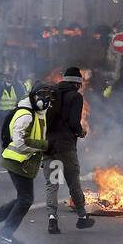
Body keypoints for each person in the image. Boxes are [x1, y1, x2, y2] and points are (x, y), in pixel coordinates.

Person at [0, 84, 55, 244]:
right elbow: (20, 142)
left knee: (23, 198)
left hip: (24, 161)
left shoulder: (37, 113)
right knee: (26, 199)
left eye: (48, 98)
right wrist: (45, 145)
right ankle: (5, 232)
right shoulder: (26, 115)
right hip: (17, 161)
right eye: (43, 97)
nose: (46, 102)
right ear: (34, 97)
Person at [43, 67, 95, 234]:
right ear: (76, 82)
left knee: (52, 183)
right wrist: (80, 132)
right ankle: (81, 217)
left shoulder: (51, 93)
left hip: (49, 146)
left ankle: (52, 219)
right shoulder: (75, 97)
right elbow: (73, 122)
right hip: (65, 147)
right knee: (73, 182)